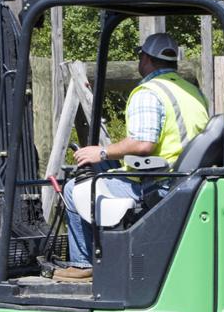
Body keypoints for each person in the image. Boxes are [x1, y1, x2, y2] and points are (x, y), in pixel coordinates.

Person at [53, 32, 209, 282]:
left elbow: (143, 144)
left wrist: (101, 151)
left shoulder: (149, 92)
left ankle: (83, 264)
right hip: (187, 179)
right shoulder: (192, 92)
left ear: (145, 58)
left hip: (157, 184)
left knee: (73, 188)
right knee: (106, 170)